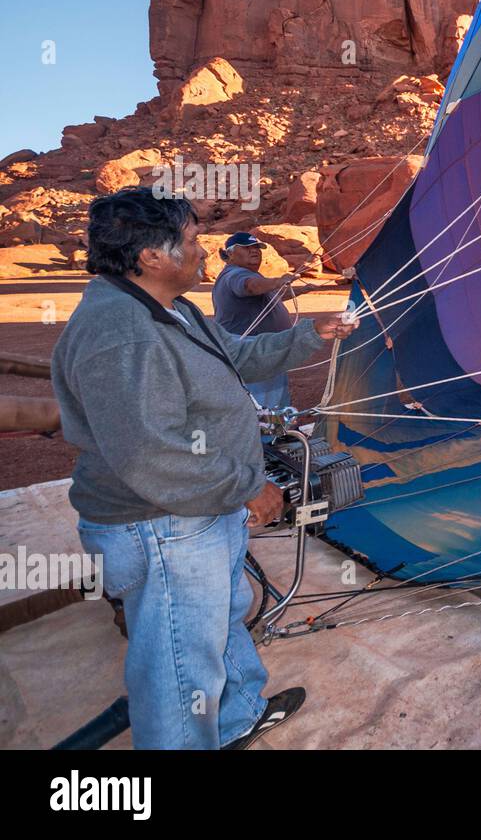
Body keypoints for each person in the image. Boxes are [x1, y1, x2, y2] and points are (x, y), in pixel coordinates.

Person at [51, 187, 358, 749]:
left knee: (220, 615)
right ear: (151, 256)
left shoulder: (173, 309)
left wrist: (311, 334)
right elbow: (151, 453)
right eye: (192, 242)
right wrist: (248, 487)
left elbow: (235, 356)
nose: (202, 253)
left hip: (196, 512)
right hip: (161, 522)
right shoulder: (122, 333)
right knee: (178, 660)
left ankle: (237, 716)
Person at [212, 231, 301, 409]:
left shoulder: (246, 275)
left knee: (272, 403)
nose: (255, 252)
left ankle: (276, 433)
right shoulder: (236, 275)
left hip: (264, 351)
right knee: (261, 408)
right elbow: (250, 287)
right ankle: (264, 436)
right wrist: (277, 281)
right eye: (247, 248)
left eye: (257, 248)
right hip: (253, 352)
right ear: (229, 253)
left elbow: (269, 296)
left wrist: (304, 289)